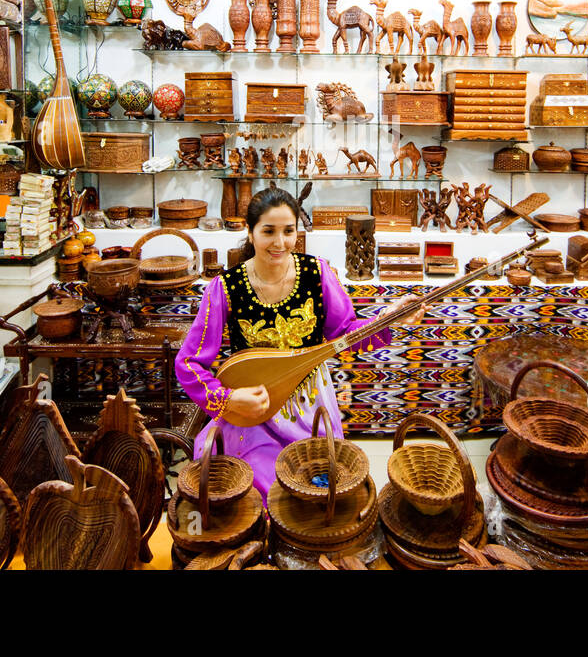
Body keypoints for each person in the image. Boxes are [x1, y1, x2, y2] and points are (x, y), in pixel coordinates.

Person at [175, 187, 427, 498]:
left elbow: (345, 333)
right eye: (268, 231)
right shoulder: (225, 288)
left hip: (311, 405)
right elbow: (189, 362)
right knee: (264, 494)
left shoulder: (316, 273)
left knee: (320, 490)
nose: (279, 242)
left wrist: (389, 318)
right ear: (250, 233)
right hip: (255, 412)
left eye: (288, 231)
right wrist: (227, 400)